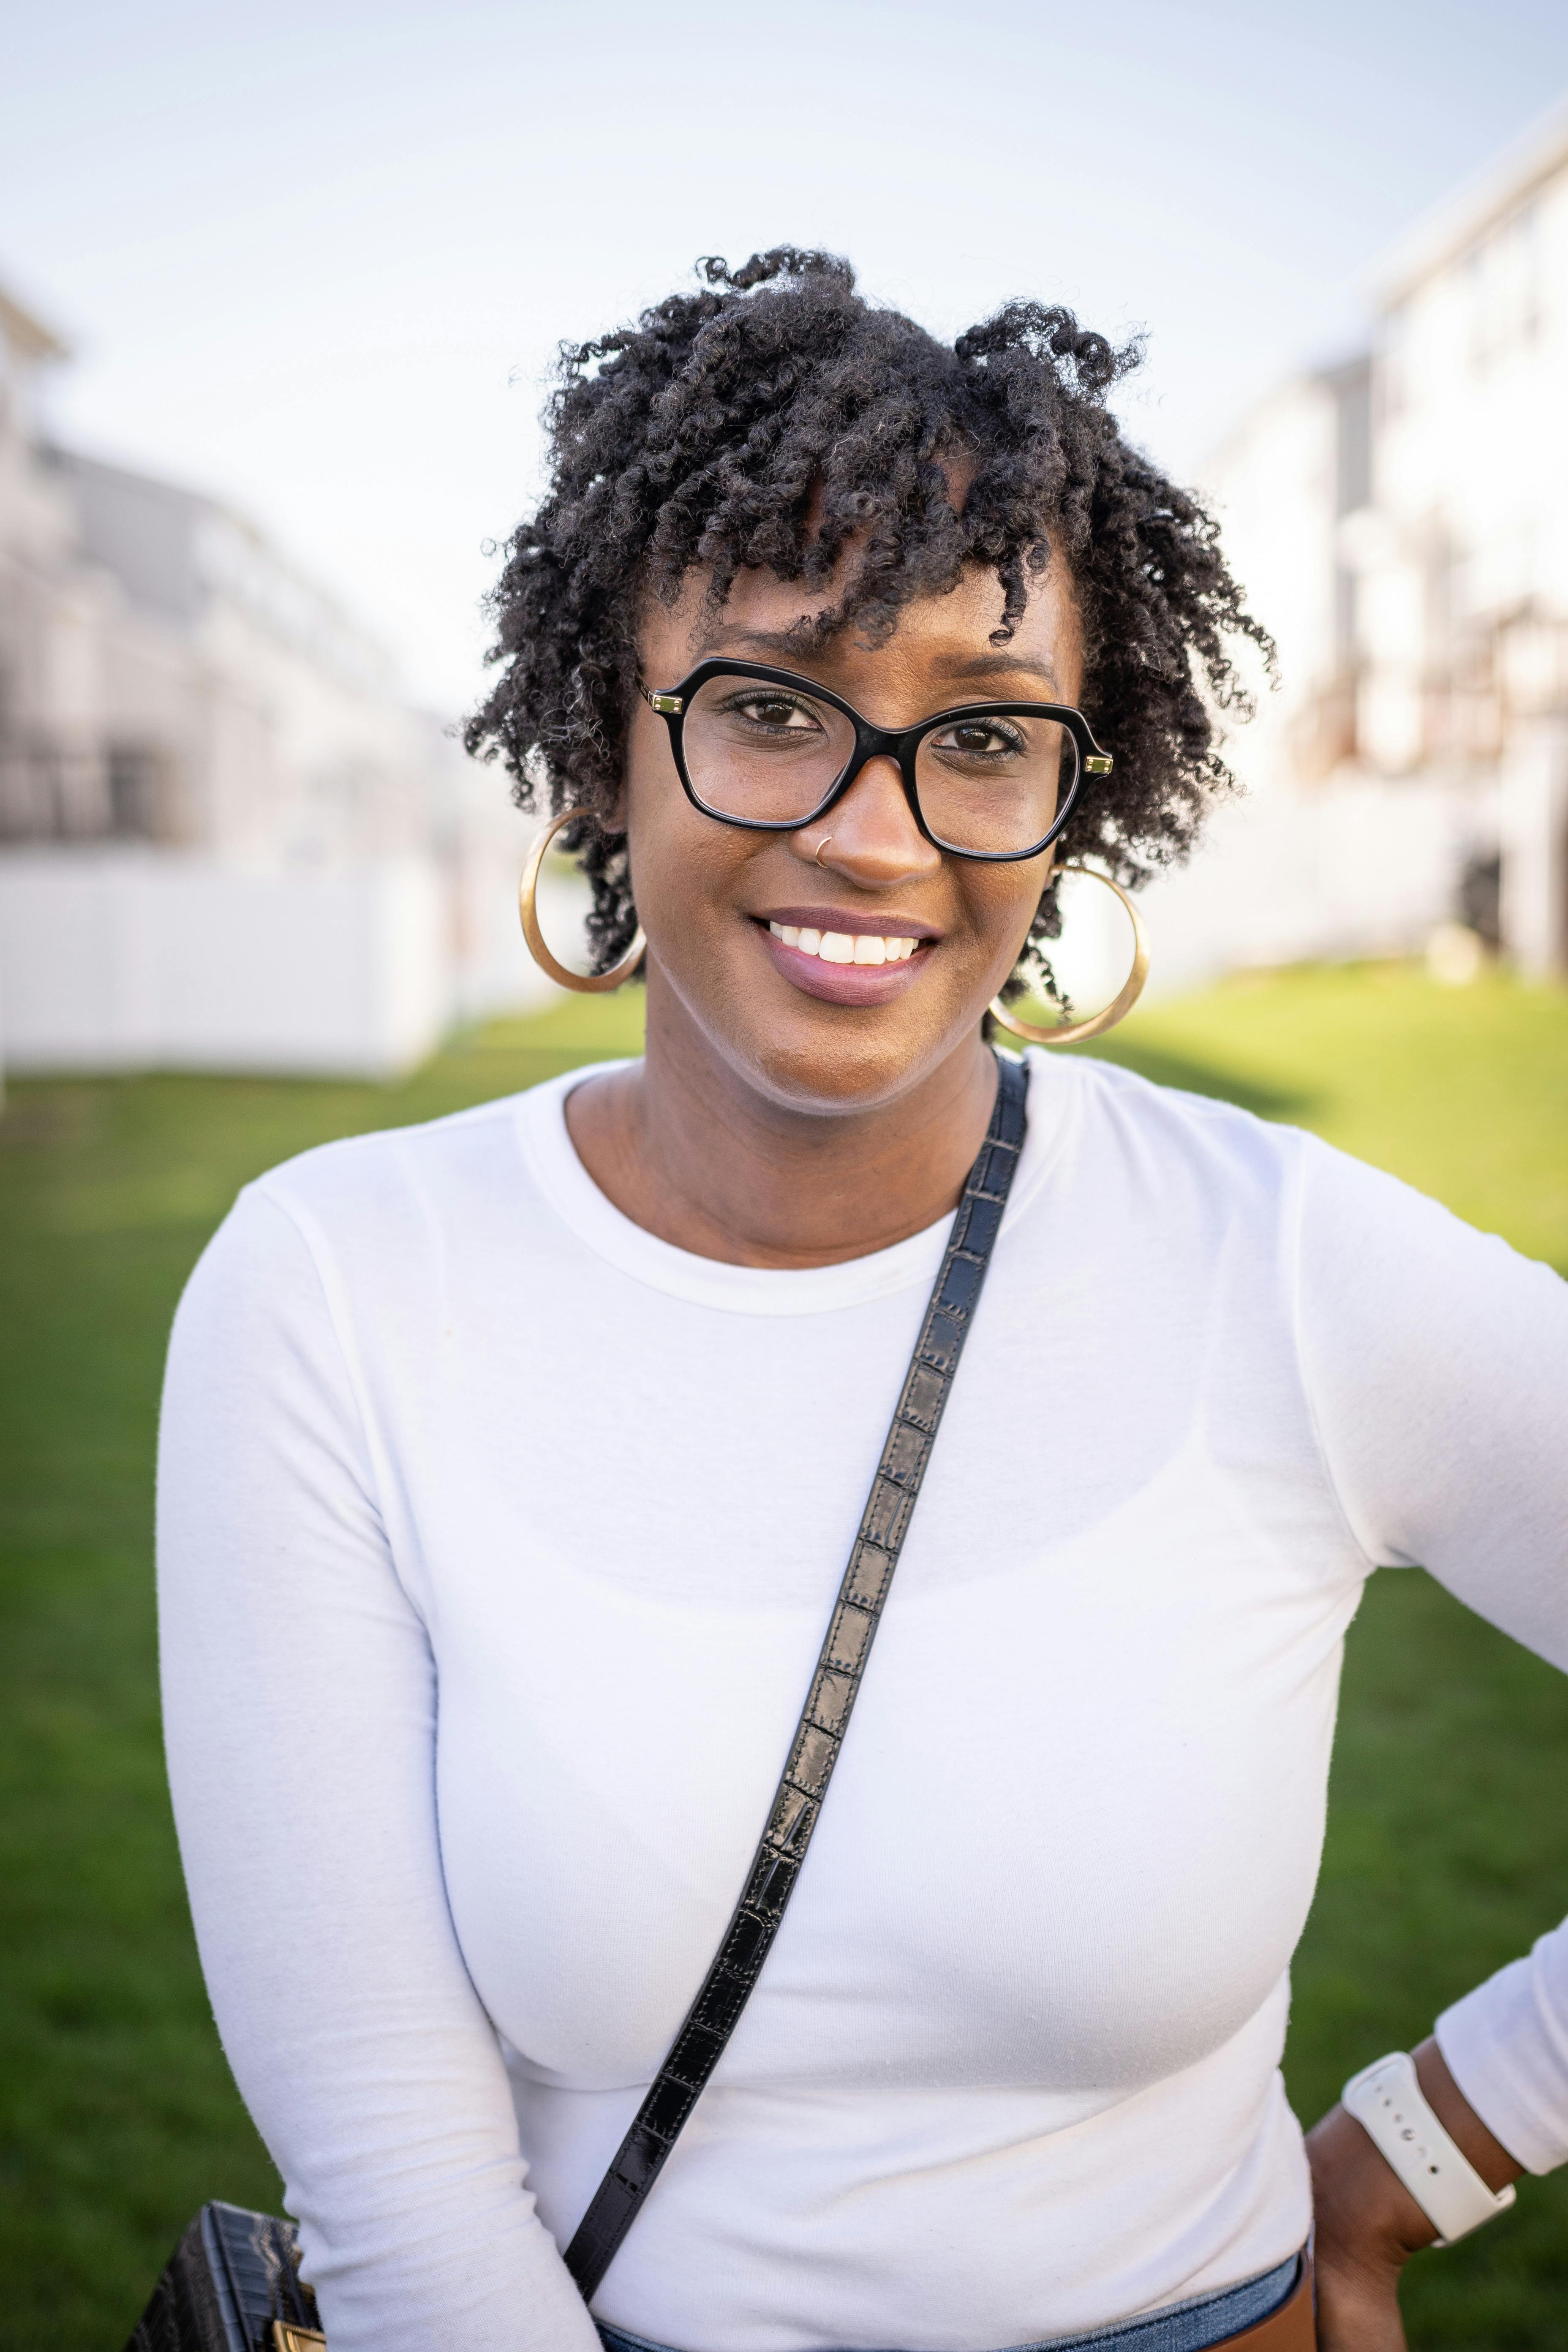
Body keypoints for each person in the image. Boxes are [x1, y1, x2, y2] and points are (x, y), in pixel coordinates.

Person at [157, 250, 1568, 2352]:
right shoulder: (335, 1287)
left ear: (1073, 790)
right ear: (602, 731)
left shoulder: (1279, 1257)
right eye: (765, 704)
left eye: (980, 736)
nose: (873, 832)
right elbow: (386, 2167)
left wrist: (1421, 2150)